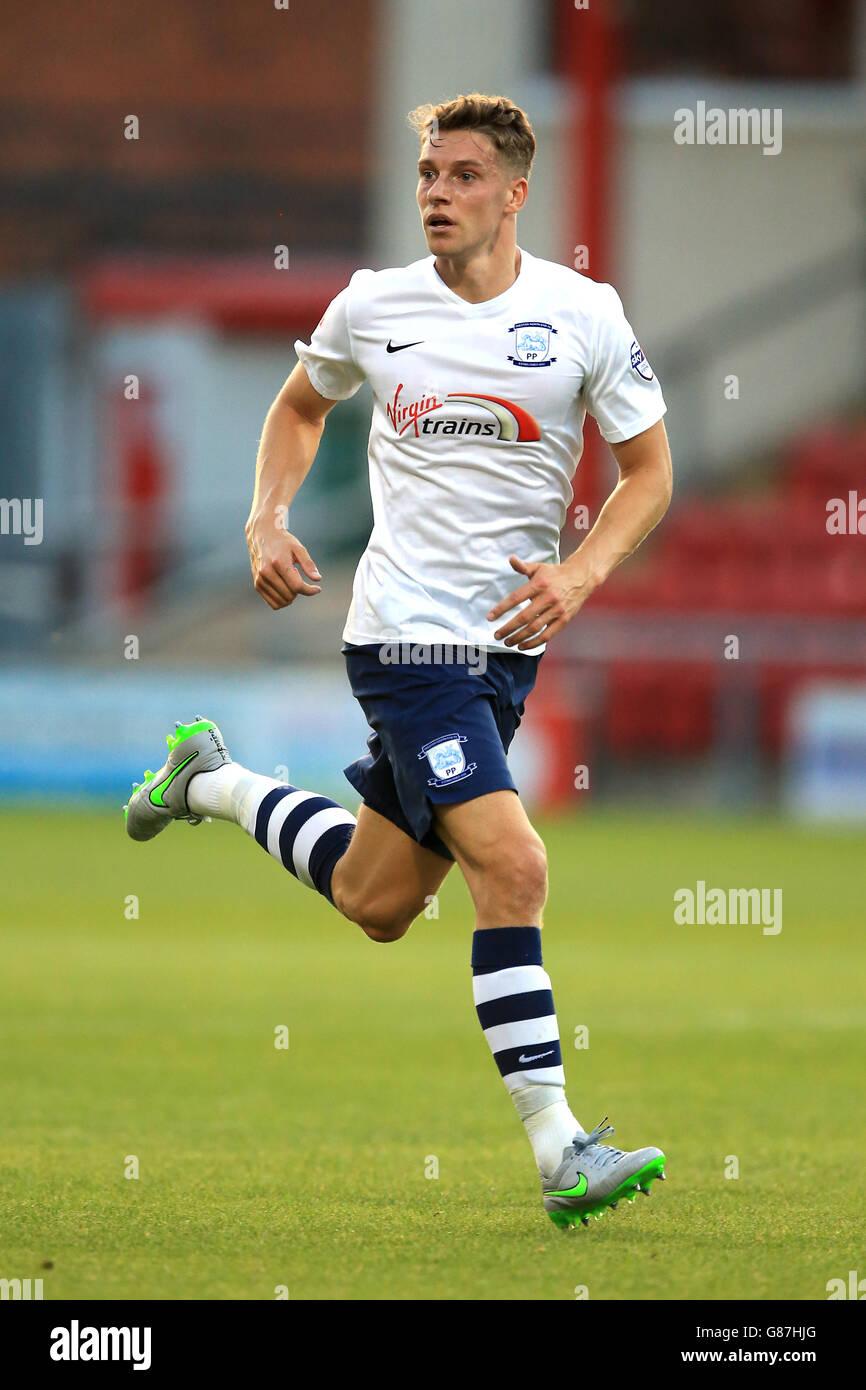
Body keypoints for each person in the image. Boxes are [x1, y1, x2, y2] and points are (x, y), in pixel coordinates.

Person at [125, 93, 672, 1228]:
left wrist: (577, 575)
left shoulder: (582, 315)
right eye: (428, 172)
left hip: (500, 654)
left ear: (515, 194)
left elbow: (649, 472)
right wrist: (264, 518)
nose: (437, 191)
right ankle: (559, 1148)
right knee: (512, 868)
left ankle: (210, 780)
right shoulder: (373, 307)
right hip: (403, 640)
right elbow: (295, 407)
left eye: (465, 175)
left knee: (377, 902)